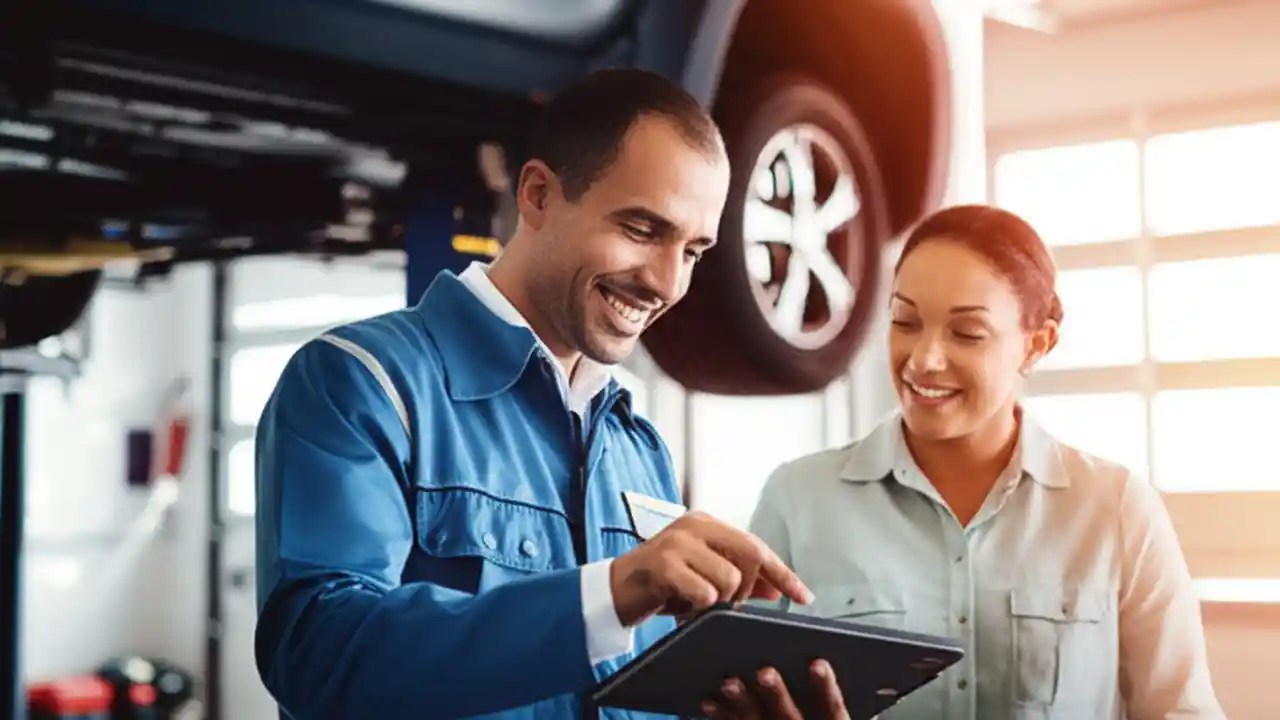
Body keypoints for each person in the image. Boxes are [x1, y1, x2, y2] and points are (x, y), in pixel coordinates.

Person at [253, 68, 850, 720]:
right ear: (537, 195)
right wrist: (612, 593)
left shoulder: (633, 440)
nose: (666, 282)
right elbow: (318, 656)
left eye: (694, 251)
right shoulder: (362, 382)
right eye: (643, 230)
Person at [748, 204, 1225, 719]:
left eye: (967, 334)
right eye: (905, 322)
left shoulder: (1117, 510)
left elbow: (1183, 711)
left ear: (1036, 344)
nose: (924, 360)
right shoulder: (797, 501)